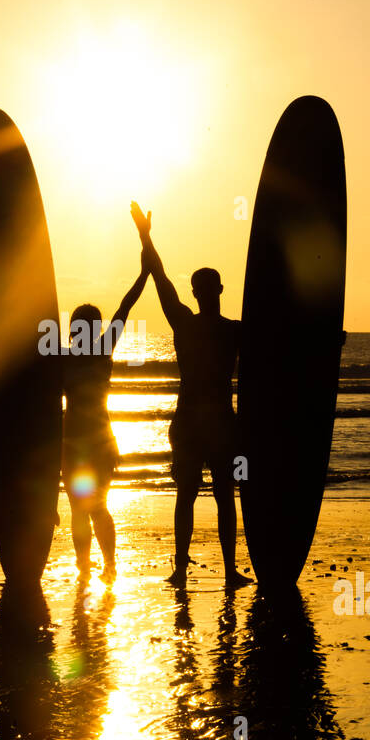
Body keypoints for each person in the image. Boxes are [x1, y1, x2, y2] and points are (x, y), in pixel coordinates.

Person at [133, 201, 251, 588]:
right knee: (222, 497)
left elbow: (158, 275)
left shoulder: (185, 323)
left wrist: (145, 235)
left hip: (190, 424)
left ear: (197, 292)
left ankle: (183, 569)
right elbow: (282, 340)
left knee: (190, 496)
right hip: (217, 423)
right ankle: (225, 570)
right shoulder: (235, 331)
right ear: (217, 290)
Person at [61, 261, 149, 580]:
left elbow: (125, 307)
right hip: (83, 445)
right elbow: (124, 308)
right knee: (90, 508)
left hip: (88, 445)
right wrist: (144, 271)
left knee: (89, 508)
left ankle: (101, 566)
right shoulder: (72, 356)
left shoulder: (88, 353)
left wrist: (143, 274)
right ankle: (92, 566)